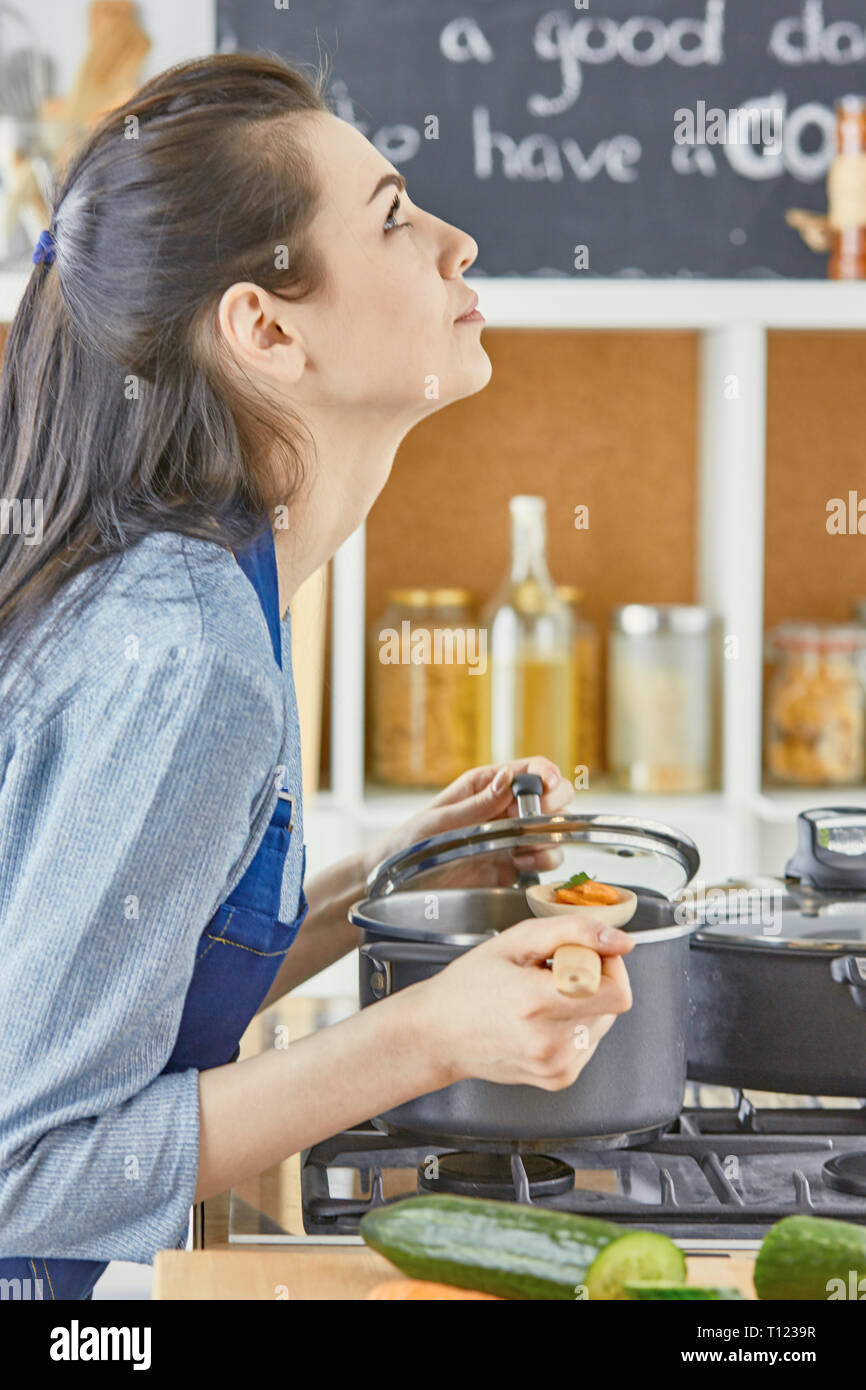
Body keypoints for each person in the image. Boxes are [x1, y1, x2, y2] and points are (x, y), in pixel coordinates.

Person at [0, 53, 633, 1300]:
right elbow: (28, 1165)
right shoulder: (188, 653)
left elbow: (118, 984)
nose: (456, 244)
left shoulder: (205, 586)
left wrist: (383, 888)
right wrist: (424, 1033)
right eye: (393, 219)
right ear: (266, 329)